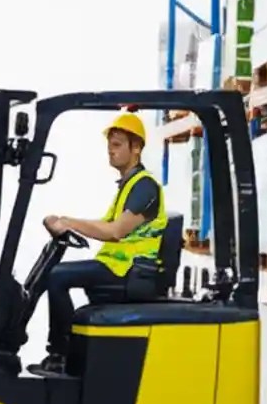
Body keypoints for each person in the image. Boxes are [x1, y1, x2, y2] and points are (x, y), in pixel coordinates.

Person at [30, 112, 167, 373]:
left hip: (131, 271)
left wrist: (68, 221)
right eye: (109, 146)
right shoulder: (129, 186)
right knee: (57, 275)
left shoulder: (145, 187)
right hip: (120, 267)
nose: (110, 152)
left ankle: (60, 355)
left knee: (57, 277)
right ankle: (65, 351)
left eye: (117, 145)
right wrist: (66, 223)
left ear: (136, 148)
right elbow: (105, 224)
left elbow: (115, 231)